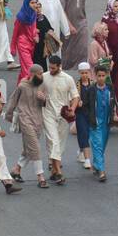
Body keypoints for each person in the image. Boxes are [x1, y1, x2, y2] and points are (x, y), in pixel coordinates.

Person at [41, 55, 78, 185]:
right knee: (53, 140)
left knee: (60, 144)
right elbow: (35, 89)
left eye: (53, 68)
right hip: (48, 113)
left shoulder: (68, 79)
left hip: (63, 115)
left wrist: (72, 109)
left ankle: (53, 169)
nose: (50, 70)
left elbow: (75, 97)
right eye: (49, 67)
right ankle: (58, 172)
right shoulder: (44, 77)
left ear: (59, 66)